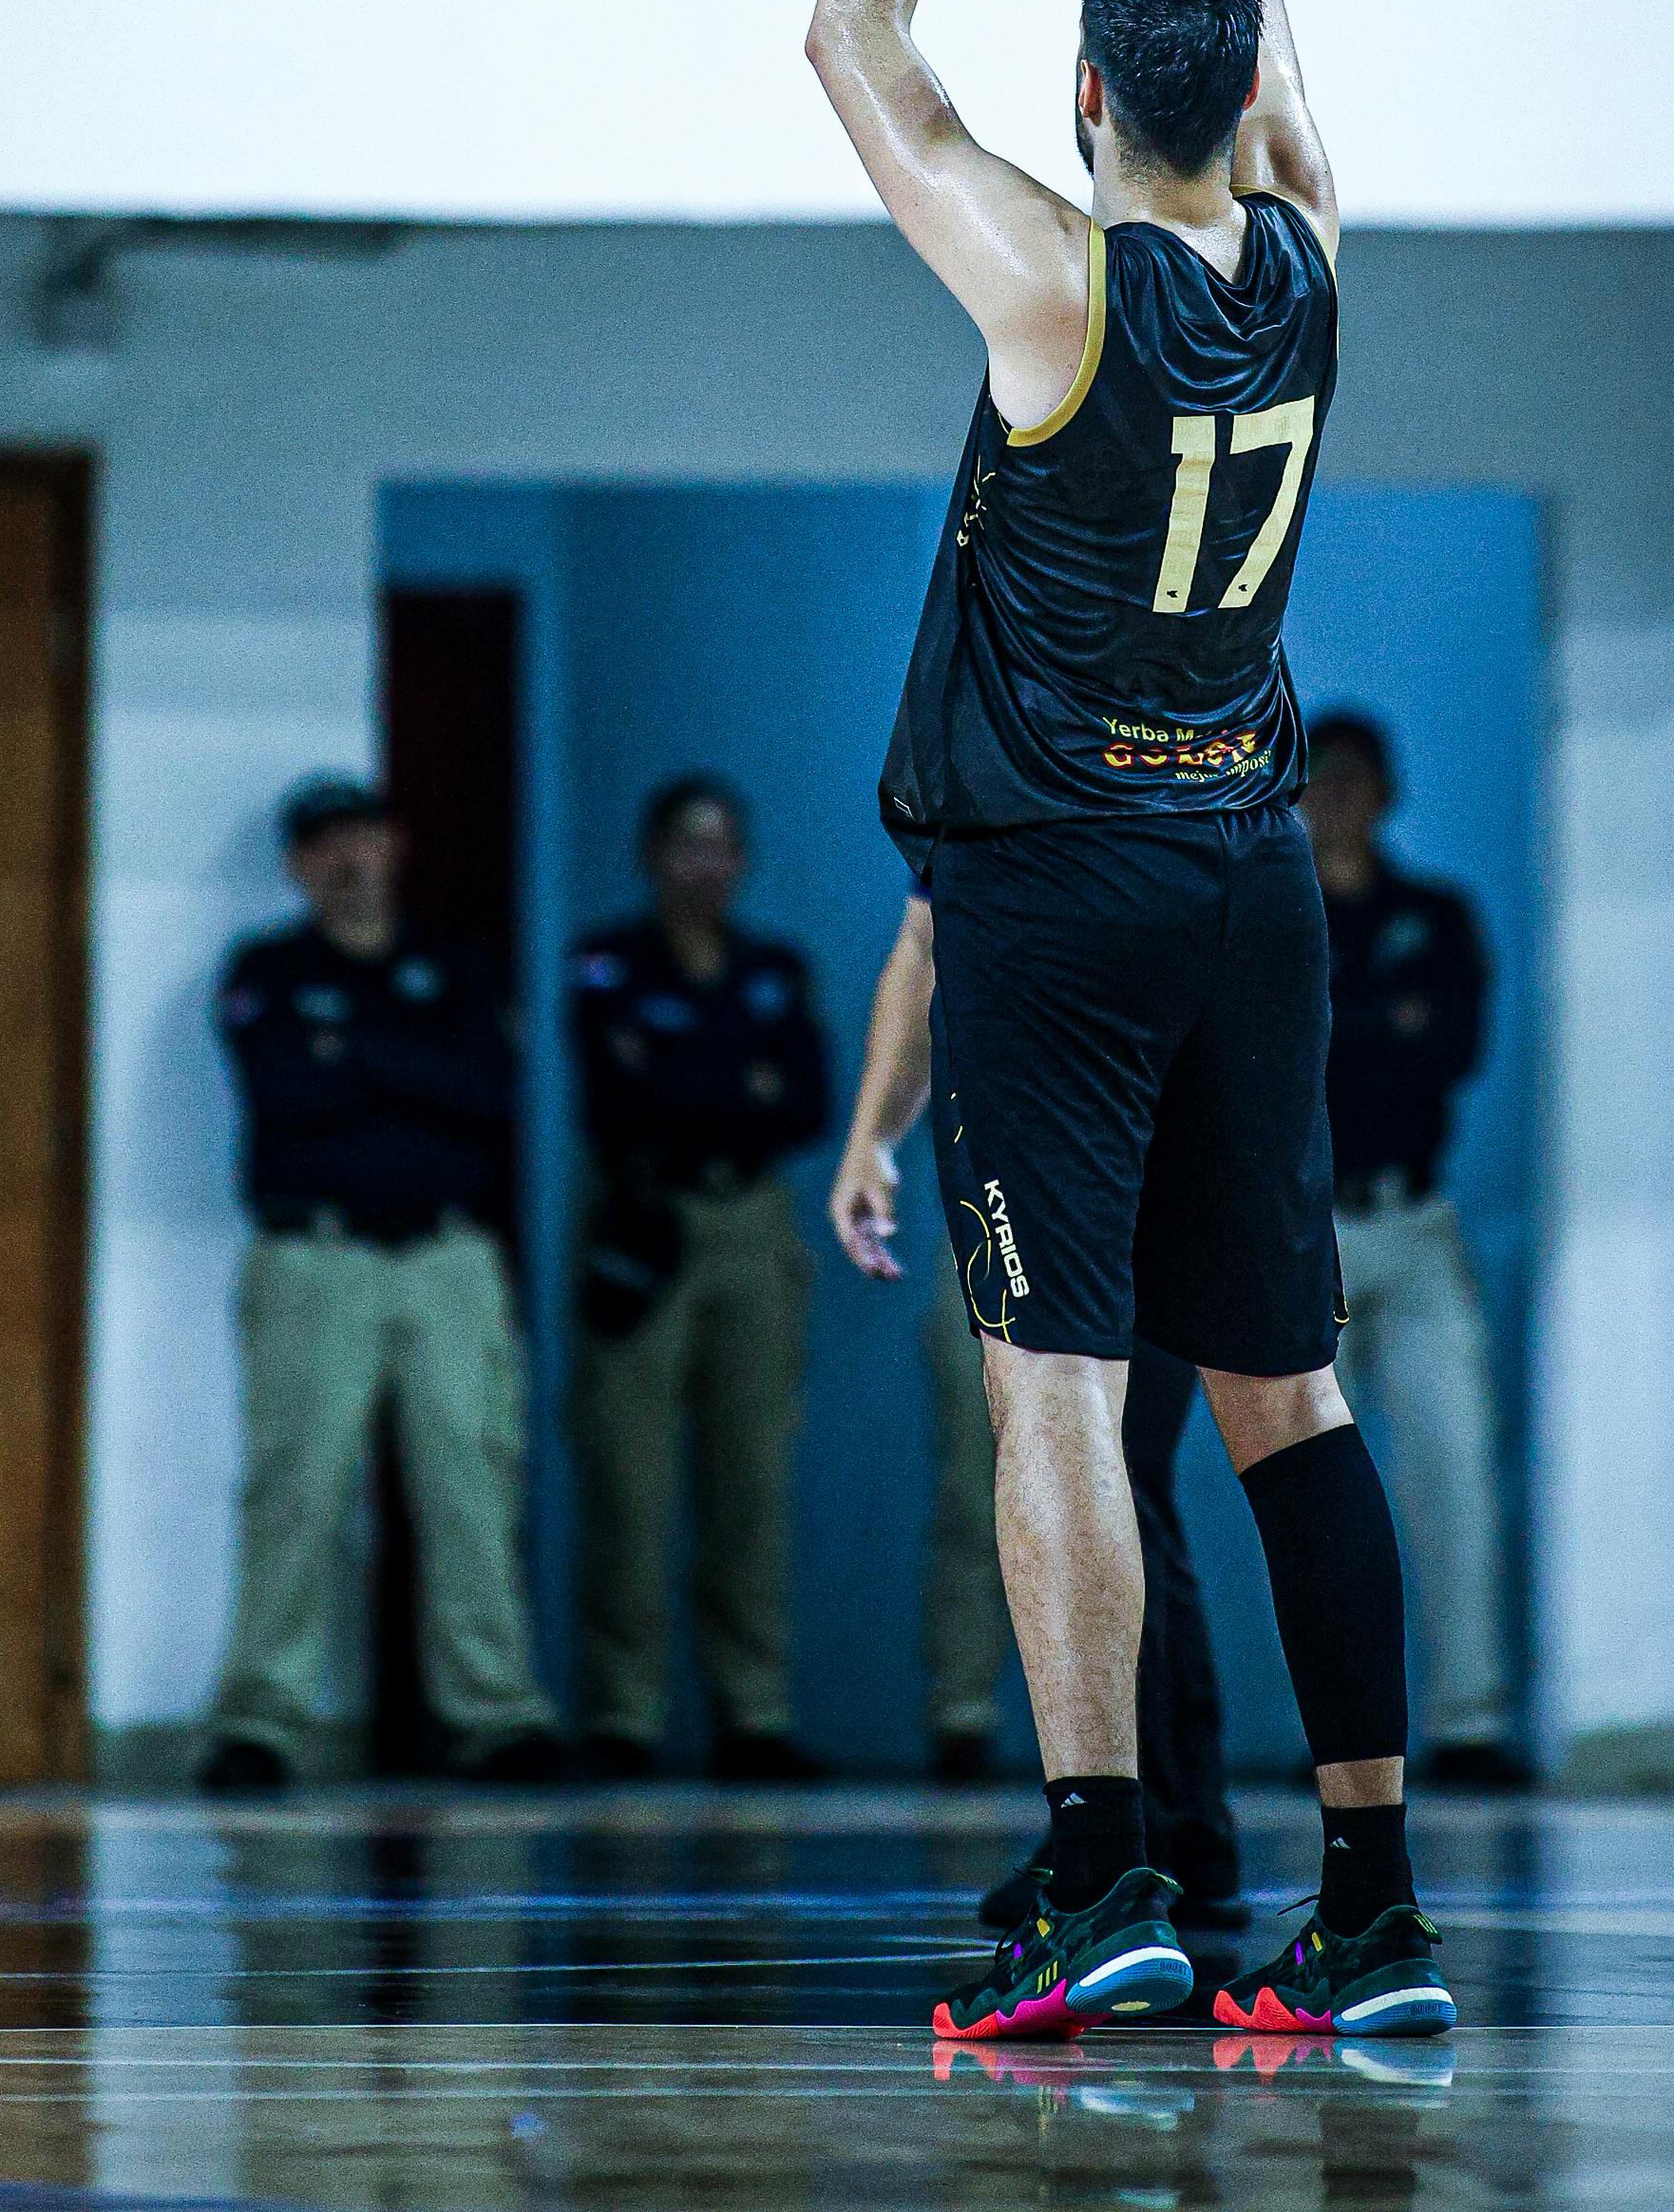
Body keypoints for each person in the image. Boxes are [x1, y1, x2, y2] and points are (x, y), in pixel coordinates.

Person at [806, 0, 1454, 2047]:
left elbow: (853, 46)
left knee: (1055, 1390)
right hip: (1248, 874)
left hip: (1059, 896)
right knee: (1291, 1398)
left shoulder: (1057, 293)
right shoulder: (1308, 239)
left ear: (1093, 106)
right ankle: (1370, 1907)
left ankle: (1104, 1881)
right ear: (1247, 96)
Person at [833, 897, 1245, 1926]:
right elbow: (927, 936)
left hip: (1122, 1165)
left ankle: (1139, 1837)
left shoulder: (1145, 759)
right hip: (1048, 1165)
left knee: (1107, 1469)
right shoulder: (986, 761)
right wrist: (876, 1136)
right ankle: (1166, 1828)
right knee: (1111, 1476)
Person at [198, 776, 561, 1793]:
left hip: (446, 1262)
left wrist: (350, 1049)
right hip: (317, 1262)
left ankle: (494, 1715)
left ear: (394, 847)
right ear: (297, 866)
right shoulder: (267, 970)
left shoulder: (451, 967)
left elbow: (486, 1094)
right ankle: (260, 1720)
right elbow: (285, 1095)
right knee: (297, 1491)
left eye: (363, 838)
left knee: (471, 1485)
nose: (348, 860)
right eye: (324, 846)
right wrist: (407, 1065)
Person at [568, 774, 833, 1783]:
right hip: (643, 1216)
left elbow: (804, 1104)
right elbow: (616, 1097)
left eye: (722, 845)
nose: (704, 864)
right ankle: (623, 1712)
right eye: (685, 844)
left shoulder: (775, 969)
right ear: (650, 856)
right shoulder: (606, 962)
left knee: (752, 1478)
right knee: (629, 1479)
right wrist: (730, 1086)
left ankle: (751, 1709)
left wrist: (689, 1084)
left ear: (743, 861)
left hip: (753, 1225)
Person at [1303, 708, 1526, 1789]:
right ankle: (1339, 1740)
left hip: (1416, 1220)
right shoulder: (1270, 915)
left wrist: (1351, 1043)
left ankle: (1470, 1721)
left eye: (1355, 778)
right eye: (1319, 778)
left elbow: (1449, 1054)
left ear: (1388, 793)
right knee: (1311, 1492)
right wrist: (1371, 1036)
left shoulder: (1434, 916)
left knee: (1456, 1468)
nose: (1336, 796)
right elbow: (1278, 1071)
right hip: (1306, 1231)